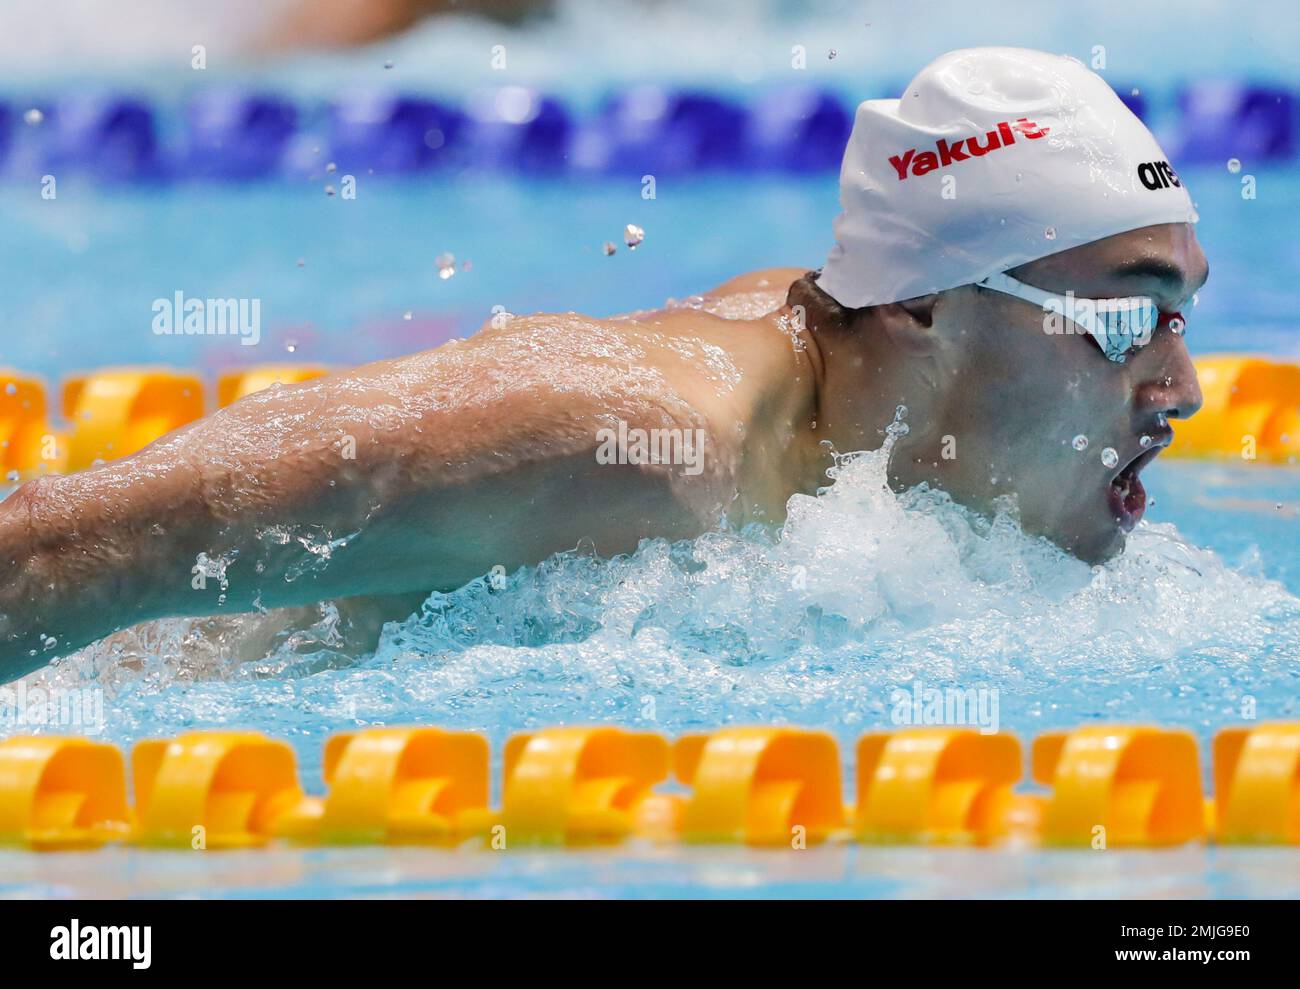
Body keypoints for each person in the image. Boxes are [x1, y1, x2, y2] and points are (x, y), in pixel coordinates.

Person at [0, 48, 1207, 681]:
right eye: (1121, 322)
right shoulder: (616, 437)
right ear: (925, 309)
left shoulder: (859, 408)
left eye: (1181, 321)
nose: (1179, 387)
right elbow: (56, 543)